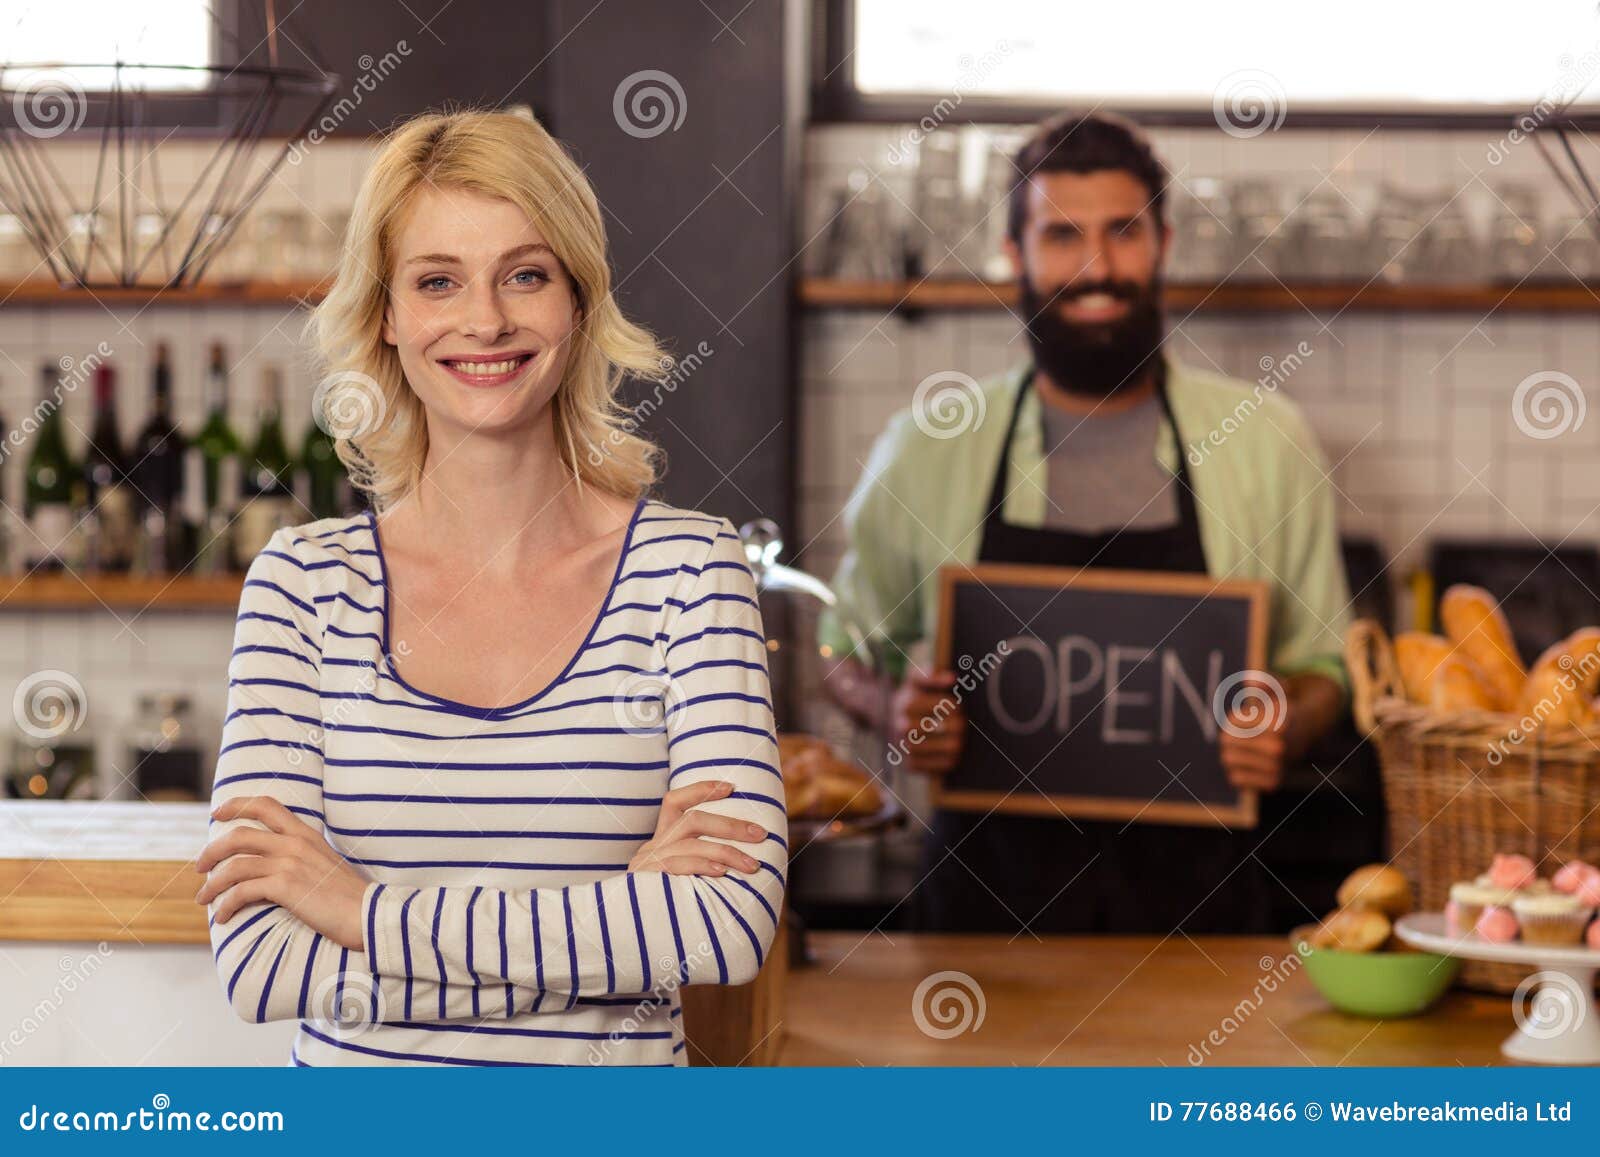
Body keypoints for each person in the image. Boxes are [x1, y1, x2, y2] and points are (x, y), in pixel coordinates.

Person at [193, 108, 786, 1066]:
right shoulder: (301, 588)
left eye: (525, 274)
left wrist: (359, 910)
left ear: (579, 301)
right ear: (385, 314)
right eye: (437, 281)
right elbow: (263, 963)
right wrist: (618, 923)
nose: (486, 321)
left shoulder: (691, 572)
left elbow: (727, 926)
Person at [820, 110, 1350, 936]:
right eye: (1062, 235)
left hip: (1203, 928)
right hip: (982, 925)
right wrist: (892, 706)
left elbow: (1326, 665)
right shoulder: (929, 444)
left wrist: (1286, 721)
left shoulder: (1266, 439)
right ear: (1016, 253)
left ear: (1164, 242)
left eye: (1123, 232)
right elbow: (843, 649)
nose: (1097, 267)